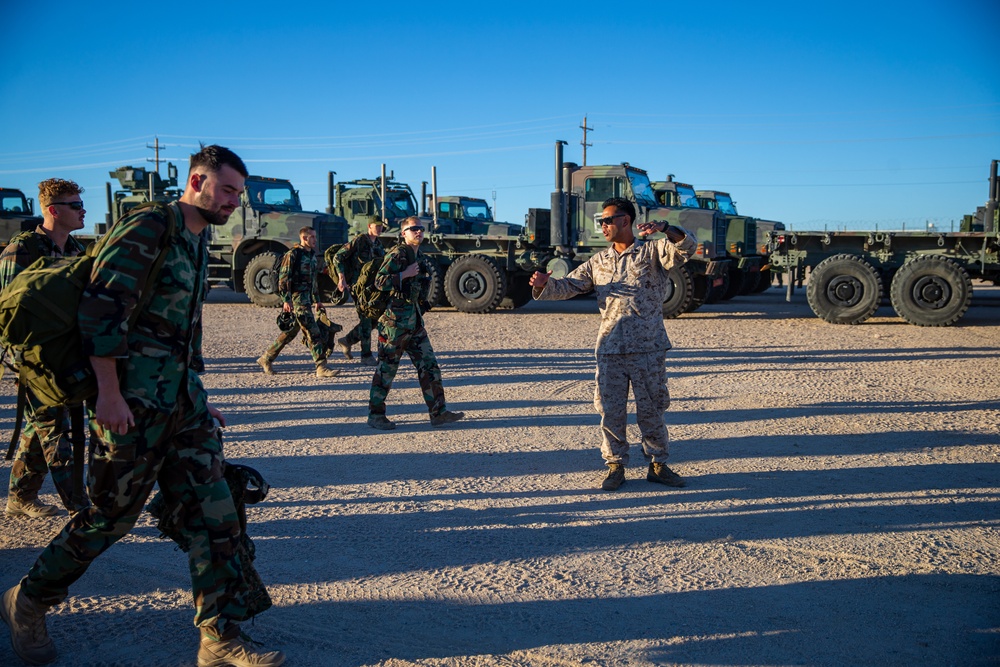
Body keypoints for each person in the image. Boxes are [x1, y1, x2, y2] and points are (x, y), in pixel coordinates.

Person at [0, 145, 285, 667]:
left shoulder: (198, 240)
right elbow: (101, 310)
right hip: (128, 404)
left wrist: (196, 395)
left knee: (216, 510)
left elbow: (179, 330)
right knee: (109, 517)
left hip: (179, 403)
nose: (232, 202)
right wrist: (107, 394)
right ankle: (29, 601)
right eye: (226, 190)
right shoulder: (148, 227)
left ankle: (219, 636)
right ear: (197, 182)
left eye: (237, 194)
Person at [530, 197, 696, 492]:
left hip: (648, 347)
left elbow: (687, 247)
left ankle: (658, 465)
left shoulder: (653, 252)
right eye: (601, 221)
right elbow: (569, 285)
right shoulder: (599, 261)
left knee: (653, 409)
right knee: (610, 410)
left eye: (607, 220)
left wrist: (666, 227)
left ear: (625, 221)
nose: (603, 226)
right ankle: (615, 465)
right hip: (610, 349)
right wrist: (543, 283)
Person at [0, 178, 90, 518]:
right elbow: (9, 310)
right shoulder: (21, 251)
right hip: (36, 359)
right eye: (76, 205)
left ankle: (20, 497)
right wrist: (24, 360)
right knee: (56, 429)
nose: (83, 211)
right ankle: (80, 507)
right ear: (54, 211)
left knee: (37, 426)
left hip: (65, 353)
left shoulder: (75, 251)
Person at [367, 216, 464, 431]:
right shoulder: (398, 254)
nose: (418, 232)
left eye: (420, 228)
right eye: (413, 229)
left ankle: (438, 413)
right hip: (394, 324)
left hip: (414, 322)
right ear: (404, 233)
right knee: (386, 369)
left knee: (429, 366)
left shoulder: (419, 255)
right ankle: (375, 416)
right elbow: (379, 282)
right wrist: (404, 274)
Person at [256, 226, 339, 378]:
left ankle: (266, 358)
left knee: (290, 333)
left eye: (315, 236)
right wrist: (286, 300)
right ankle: (321, 367)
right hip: (296, 299)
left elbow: (313, 281)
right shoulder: (293, 254)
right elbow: (283, 278)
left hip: (306, 299)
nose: (315, 239)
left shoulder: (311, 256)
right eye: (312, 237)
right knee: (313, 332)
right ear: (304, 238)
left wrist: (317, 301)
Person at [332, 216, 386, 366]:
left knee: (374, 319)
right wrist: (341, 277)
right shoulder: (359, 241)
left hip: (372, 289)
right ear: (369, 226)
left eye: (381, 226)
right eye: (377, 226)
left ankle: (347, 340)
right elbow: (338, 257)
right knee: (367, 320)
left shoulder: (379, 245)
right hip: (358, 287)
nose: (380, 228)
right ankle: (366, 355)